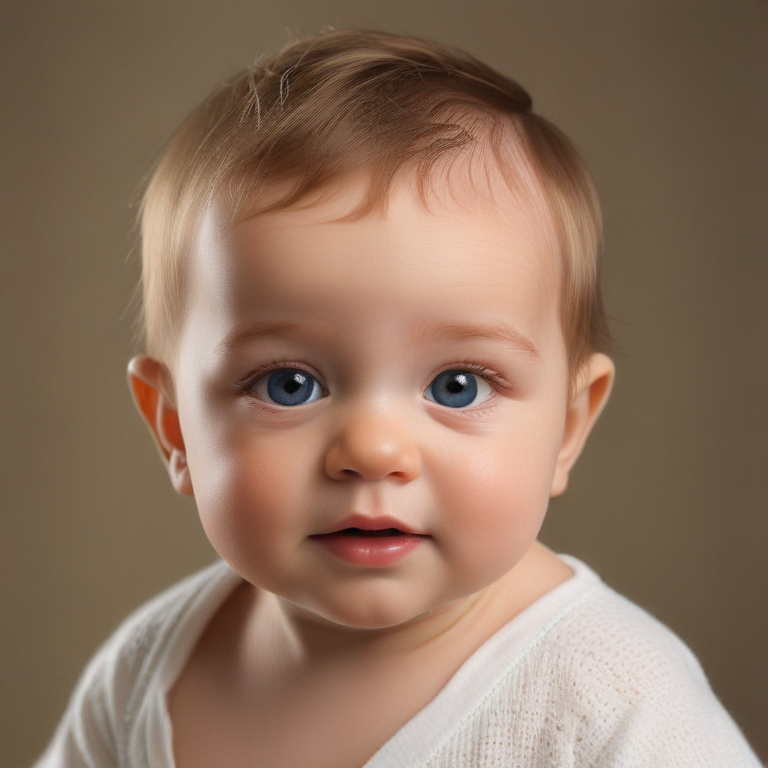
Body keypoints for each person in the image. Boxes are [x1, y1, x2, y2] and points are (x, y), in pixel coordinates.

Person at [35, 29, 760, 768]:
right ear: (174, 427)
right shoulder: (145, 675)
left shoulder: (611, 706)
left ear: (569, 426)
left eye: (458, 385)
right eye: (290, 384)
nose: (373, 450)